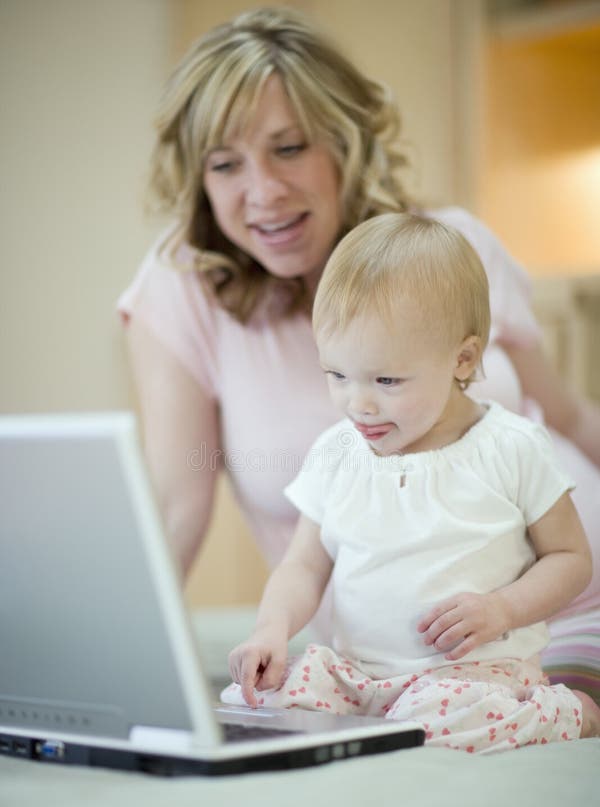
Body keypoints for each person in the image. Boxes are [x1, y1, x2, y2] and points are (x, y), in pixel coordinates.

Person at [118, 8, 600, 650]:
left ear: (345, 142)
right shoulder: (183, 287)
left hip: (569, 609)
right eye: (224, 164)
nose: (262, 192)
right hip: (391, 662)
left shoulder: (452, 247)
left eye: (289, 148)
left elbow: (567, 416)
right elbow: (176, 513)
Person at [225, 213, 600, 752]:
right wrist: (271, 630)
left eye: (386, 380)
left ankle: (564, 713)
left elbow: (571, 559)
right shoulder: (337, 453)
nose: (359, 403)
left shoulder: (511, 447)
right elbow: (303, 565)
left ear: (462, 358)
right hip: (360, 674)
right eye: (337, 375)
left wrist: (503, 610)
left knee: (444, 724)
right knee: (262, 705)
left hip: (470, 675)